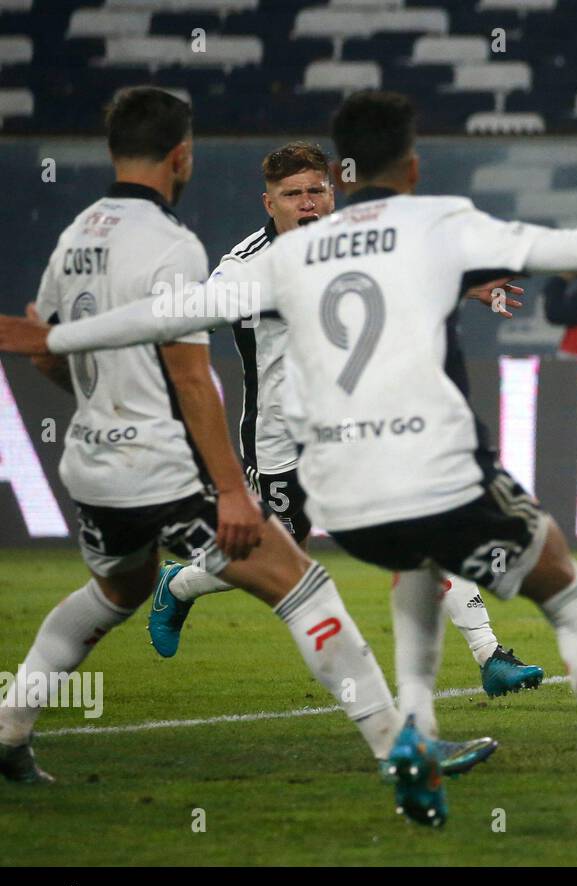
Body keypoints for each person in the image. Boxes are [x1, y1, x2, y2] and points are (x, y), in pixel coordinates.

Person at [0, 89, 577, 839]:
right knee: (568, 594)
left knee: (412, 559)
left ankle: (416, 726)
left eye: (316, 186)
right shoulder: (439, 222)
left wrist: (54, 337)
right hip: (417, 465)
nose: (306, 199)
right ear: (415, 163)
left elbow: (169, 314)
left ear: (340, 175)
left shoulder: (285, 260)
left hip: (347, 492)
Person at [0, 89, 494, 794]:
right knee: (307, 587)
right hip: (160, 468)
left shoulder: (78, 234)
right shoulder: (175, 247)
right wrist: (231, 490)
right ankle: (402, 751)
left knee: (117, 589)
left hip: (93, 461)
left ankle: (10, 730)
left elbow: (48, 350)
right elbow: (193, 379)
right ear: (183, 157)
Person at [149, 140, 545, 700]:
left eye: (317, 190)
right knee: (279, 556)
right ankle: (182, 583)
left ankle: (491, 656)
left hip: (361, 425)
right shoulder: (242, 270)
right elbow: (188, 318)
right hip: (282, 438)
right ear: (270, 204)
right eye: (293, 195)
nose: (308, 203)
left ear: (332, 193)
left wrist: (472, 285)